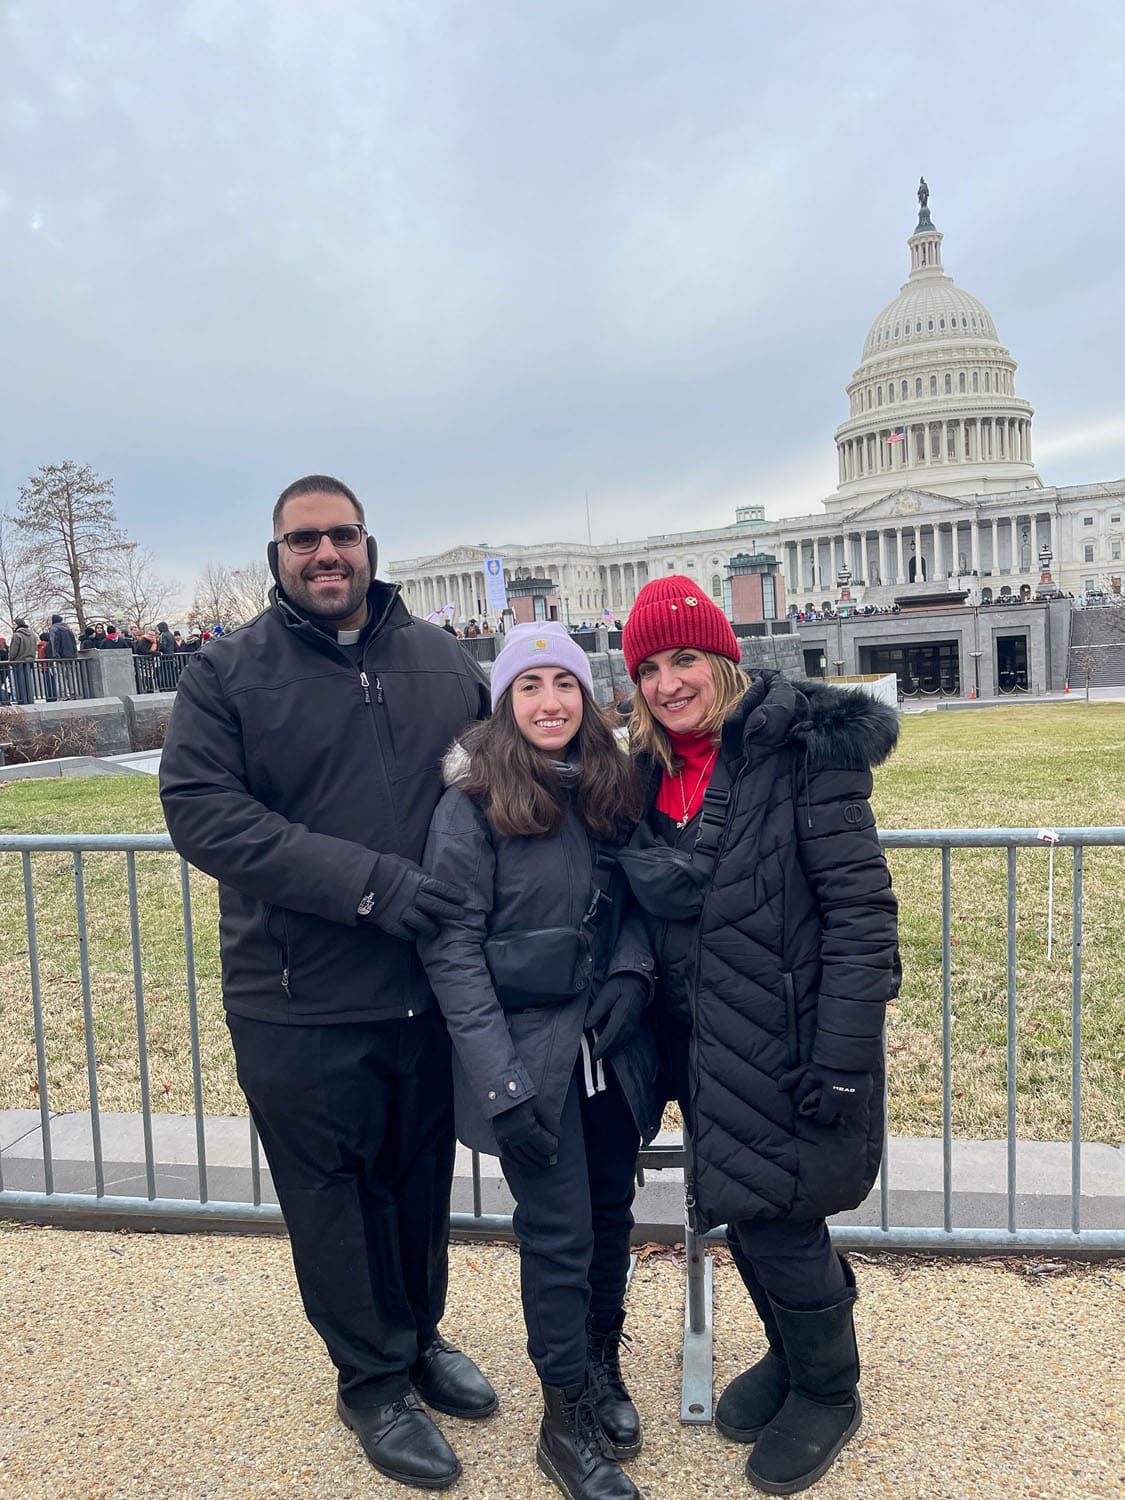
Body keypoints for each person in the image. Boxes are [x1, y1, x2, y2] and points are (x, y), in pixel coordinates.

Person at [160, 475, 496, 1491]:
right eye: (303, 540)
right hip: (294, 991)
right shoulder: (225, 675)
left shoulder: (443, 662)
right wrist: (368, 886)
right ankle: (371, 1380)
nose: (325, 554)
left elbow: (504, 787)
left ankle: (419, 1334)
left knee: (416, 1180)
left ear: (369, 544)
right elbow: (205, 816)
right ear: (277, 557)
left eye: (341, 535)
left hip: (425, 987)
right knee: (331, 1196)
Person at [618, 576, 900, 1497]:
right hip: (705, 1042)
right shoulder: (651, 772)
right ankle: (791, 1359)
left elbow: (860, 914)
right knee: (749, 1211)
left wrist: (845, 1058)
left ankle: (830, 1389)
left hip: (791, 1038)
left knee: (784, 1224)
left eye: (684, 658)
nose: (667, 682)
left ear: (724, 660)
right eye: (649, 667)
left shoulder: (801, 752)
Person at [418, 622, 660, 1500]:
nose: (550, 702)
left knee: (609, 1215)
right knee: (557, 1237)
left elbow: (635, 903)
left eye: (564, 684)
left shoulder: (607, 786)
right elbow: (450, 945)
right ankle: (562, 1421)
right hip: (525, 1057)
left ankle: (599, 1364)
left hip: (607, 1048)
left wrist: (631, 978)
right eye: (530, 686)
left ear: (585, 698)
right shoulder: (472, 805)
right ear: (506, 702)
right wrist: (498, 1077)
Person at [8, 618, 37, 704]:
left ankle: (22, 701)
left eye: (13, 624)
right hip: (29, 661)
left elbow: (13, 651)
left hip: (19, 662)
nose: (12, 626)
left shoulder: (17, 635)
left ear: (18, 624)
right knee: (28, 682)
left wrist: (11, 660)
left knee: (19, 683)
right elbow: (34, 648)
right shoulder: (32, 634)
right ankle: (29, 700)